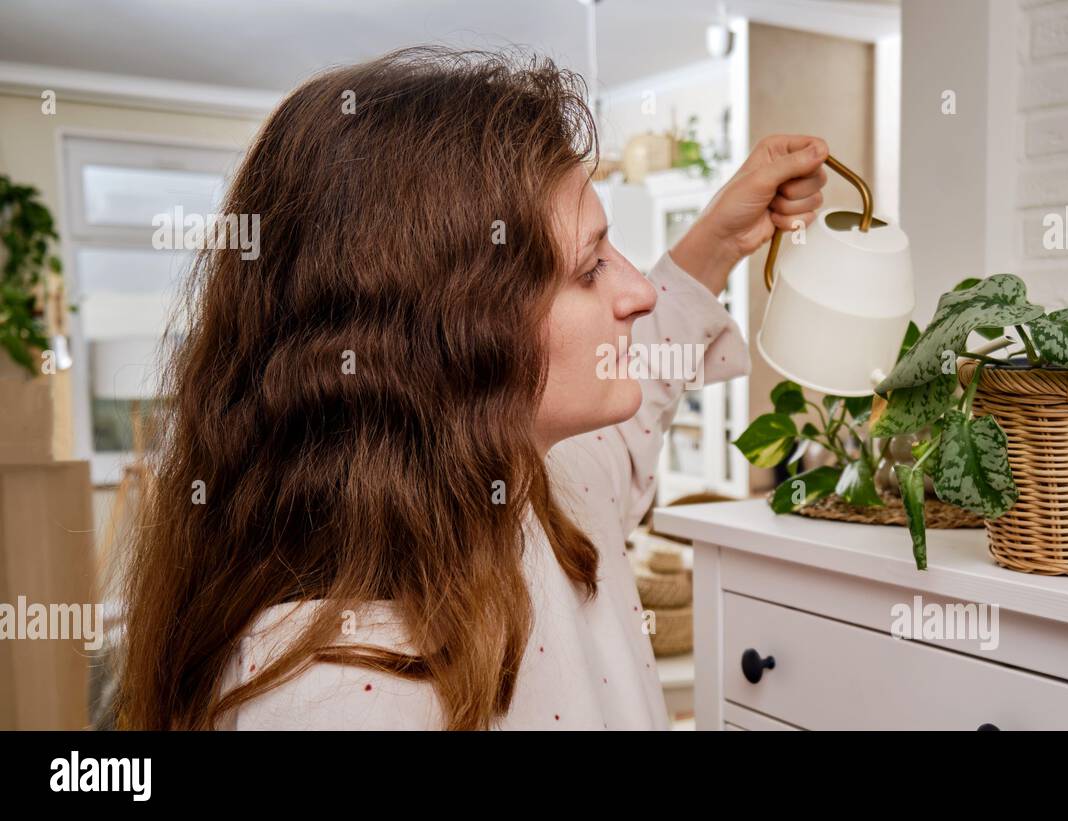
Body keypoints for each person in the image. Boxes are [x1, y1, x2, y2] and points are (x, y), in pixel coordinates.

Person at [114, 46, 828, 730]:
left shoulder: (536, 484)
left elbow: (633, 410)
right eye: (589, 269)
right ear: (455, 335)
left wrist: (719, 241)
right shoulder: (336, 687)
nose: (638, 291)